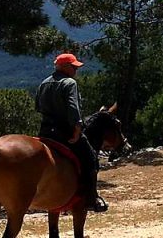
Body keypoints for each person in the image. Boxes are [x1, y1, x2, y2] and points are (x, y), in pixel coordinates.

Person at [35, 53, 107, 212]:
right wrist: (77, 129)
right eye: (73, 66)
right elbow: (73, 108)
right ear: (65, 67)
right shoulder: (70, 83)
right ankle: (92, 197)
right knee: (90, 159)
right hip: (64, 132)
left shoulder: (43, 83)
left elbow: (38, 107)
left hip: (45, 132)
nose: (76, 69)